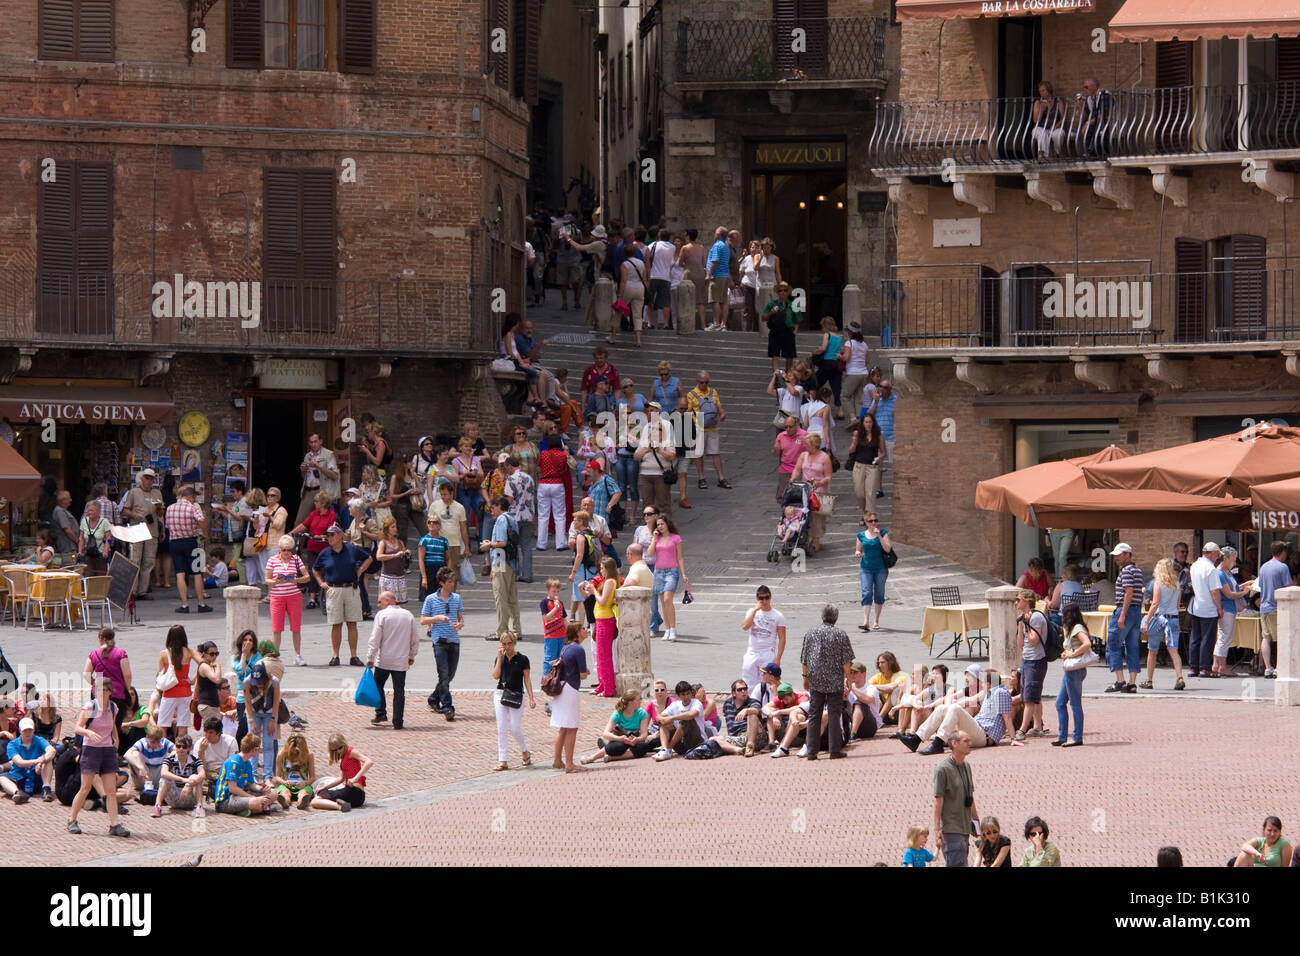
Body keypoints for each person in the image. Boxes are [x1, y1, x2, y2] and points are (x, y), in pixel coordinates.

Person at [67, 677, 129, 836]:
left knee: (111, 791)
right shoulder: (90, 706)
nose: (102, 693)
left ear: (109, 692)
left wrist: (116, 739)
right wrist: (89, 732)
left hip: (107, 750)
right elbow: (78, 727)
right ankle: (72, 819)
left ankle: (115, 824)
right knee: (85, 788)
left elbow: (113, 725)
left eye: (105, 690)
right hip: (91, 749)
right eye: (99, 690)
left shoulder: (113, 707)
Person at [900, 668, 1012, 753]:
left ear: (988, 684)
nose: (981, 684)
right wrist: (945, 706)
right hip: (978, 730)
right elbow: (968, 701)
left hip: (985, 736)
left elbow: (1007, 717)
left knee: (954, 708)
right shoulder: (987, 693)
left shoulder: (1000, 692)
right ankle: (916, 739)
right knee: (943, 708)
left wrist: (1013, 738)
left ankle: (938, 742)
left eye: (982, 682)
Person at [314, 523, 374, 667]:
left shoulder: (351, 549)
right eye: (327, 535)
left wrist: (360, 571)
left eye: (332, 535)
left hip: (351, 587)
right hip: (334, 589)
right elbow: (315, 569)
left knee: (352, 623)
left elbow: (369, 558)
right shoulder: (325, 553)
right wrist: (321, 582)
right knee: (336, 624)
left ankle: (353, 656)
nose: (329, 538)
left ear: (340, 536)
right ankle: (336, 655)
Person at [800, 604, 854, 759]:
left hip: (815, 679)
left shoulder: (811, 633)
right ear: (835, 617)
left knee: (814, 714)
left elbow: (804, 659)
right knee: (834, 714)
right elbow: (846, 661)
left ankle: (811, 751)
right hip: (834, 680)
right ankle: (834, 750)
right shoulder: (841, 634)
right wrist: (848, 679)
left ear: (822, 616)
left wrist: (805, 678)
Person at [366, 590, 420, 730]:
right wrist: (411, 656)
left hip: (384, 659)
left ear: (388, 601)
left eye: (380, 601)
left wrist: (370, 657)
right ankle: (398, 720)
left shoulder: (382, 615)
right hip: (401, 660)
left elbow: (375, 638)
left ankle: (381, 712)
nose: (378, 605)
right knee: (399, 691)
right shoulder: (408, 615)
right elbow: (414, 639)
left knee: (378, 685)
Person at [422, 566, 464, 719]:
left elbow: (460, 618)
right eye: (450, 581)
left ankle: (433, 698)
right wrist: (437, 618)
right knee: (444, 674)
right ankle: (447, 706)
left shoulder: (457, 598)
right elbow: (423, 620)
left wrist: (460, 624)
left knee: (449, 675)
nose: (453, 584)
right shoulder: (431, 599)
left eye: (453, 581)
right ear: (442, 583)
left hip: (454, 640)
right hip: (439, 641)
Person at [932, 729, 978, 866]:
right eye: (966, 741)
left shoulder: (967, 766)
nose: (970, 743)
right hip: (951, 829)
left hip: (964, 829)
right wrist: (937, 830)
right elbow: (937, 801)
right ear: (954, 743)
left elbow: (970, 796)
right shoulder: (943, 769)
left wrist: (976, 822)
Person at [164, 485, 212, 614]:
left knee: (180, 573)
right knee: (197, 572)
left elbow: (168, 526)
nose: (194, 500)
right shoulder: (191, 507)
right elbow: (201, 519)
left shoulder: (170, 508)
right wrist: (205, 533)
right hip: (190, 542)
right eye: (194, 497)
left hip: (175, 542)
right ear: (190, 496)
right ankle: (201, 604)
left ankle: (184, 605)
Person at [550, 621, 590, 771]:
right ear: (578, 632)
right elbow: (582, 675)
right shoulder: (578, 649)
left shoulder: (566, 647)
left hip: (562, 688)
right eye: (583, 628)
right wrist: (586, 672)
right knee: (572, 727)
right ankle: (569, 763)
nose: (586, 630)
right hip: (571, 689)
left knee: (563, 727)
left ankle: (557, 760)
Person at [262, 535, 308, 664]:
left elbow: (307, 576)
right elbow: (266, 579)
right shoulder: (272, 560)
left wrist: (296, 580)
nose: (287, 553)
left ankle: (298, 655)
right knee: (277, 628)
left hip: (294, 596)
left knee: (296, 627)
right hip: (277, 597)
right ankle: (275, 656)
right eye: (284, 550)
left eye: (289, 550)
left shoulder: (296, 559)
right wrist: (275, 581)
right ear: (280, 549)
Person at [491, 631, 534, 770]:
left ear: (514, 643)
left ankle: (525, 752)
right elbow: (495, 676)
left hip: (516, 694)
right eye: (504, 644)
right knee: (501, 727)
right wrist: (499, 657)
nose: (507, 646)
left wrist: (531, 698)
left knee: (514, 727)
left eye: (509, 643)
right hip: (500, 693)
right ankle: (502, 760)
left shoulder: (523, 659)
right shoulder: (500, 658)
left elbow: (527, 679)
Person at [83, 625, 132, 745]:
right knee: (115, 724)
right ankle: (113, 751)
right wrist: (125, 688)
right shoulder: (121, 653)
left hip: (99, 693)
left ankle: (97, 747)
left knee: (96, 723)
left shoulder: (93, 654)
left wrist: (96, 685)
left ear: (100, 638)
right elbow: (127, 675)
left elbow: (86, 674)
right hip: (117, 693)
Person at [1212, 546, 1254, 677]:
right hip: (1226, 608)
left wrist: (1246, 584)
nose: (1234, 563)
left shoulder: (1227, 573)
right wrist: (1244, 592)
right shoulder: (1220, 573)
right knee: (1225, 637)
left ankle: (1217, 665)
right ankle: (1221, 666)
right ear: (1225, 558)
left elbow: (1233, 588)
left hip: (1230, 608)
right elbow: (1229, 594)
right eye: (1233, 559)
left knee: (1223, 637)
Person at [213, 733, 277, 816]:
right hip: (226, 800)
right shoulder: (234, 762)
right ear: (254, 750)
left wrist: (262, 789)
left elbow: (251, 785)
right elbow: (232, 789)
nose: (259, 751)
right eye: (258, 749)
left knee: (273, 793)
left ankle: (252, 809)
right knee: (257, 802)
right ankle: (263, 807)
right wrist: (251, 797)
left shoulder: (247, 763)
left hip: (241, 795)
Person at [1054, 604, 1091, 747]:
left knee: (1075, 704)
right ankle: (1063, 735)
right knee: (1060, 703)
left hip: (1075, 670)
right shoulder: (1071, 629)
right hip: (1071, 669)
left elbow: (1087, 643)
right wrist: (1067, 653)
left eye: (1064, 614)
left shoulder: (1077, 628)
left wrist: (1073, 654)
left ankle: (1077, 737)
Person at [686, 371, 730, 489]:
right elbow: (687, 412)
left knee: (716, 453)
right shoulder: (691, 394)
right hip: (698, 426)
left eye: (706, 382)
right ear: (697, 382)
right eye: (702, 383)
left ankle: (721, 478)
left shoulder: (713, 392)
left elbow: (718, 406)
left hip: (712, 426)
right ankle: (701, 478)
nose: (704, 385)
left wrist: (722, 413)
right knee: (699, 454)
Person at [485, 496, 522, 638]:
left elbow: (502, 543)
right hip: (512, 563)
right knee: (512, 598)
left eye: (493, 508)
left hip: (501, 562)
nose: (491, 511)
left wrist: (489, 545)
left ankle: (502, 631)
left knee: (501, 598)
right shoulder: (511, 519)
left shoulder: (501, 519)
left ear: (499, 506)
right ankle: (515, 630)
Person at [649, 514, 688, 643]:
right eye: (658, 524)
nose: (660, 526)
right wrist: (654, 539)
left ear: (667, 524)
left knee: (667, 599)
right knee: (663, 602)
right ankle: (667, 629)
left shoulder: (675, 538)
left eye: (662, 524)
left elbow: (680, 557)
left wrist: (683, 574)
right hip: (658, 572)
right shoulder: (657, 539)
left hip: (671, 572)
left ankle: (673, 628)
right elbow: (650, 553)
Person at [155, 625, 198, 740]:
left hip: (169, 693)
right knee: (183, 725)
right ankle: (181, 750)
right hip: (185, 692)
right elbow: (203, 664)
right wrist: (193, 681)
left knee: (162, 725)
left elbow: (160, 673)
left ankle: (164, 751)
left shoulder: (164, 654)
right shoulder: (189, 652)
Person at [791, 433, 833, 551]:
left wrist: (820, 482)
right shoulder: (803, 455)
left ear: (815, 445)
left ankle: (816, 539)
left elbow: (829, 476)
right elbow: (797, 469)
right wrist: (792, 479)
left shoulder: (824, 457)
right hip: (805, 489)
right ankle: (802, 536)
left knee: (817, 517)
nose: (805, 447)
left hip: (820, 490)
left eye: (808, 445)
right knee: (803, 513)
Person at [739, 586, 787, 690]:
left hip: (767, 653)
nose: (764, 601)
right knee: (748, 682)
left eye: (767, 598)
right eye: (761, 598)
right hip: (752, 652)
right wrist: (755, 610)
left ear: (770, 597)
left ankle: (766, 704)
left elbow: (782, 638)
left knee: (768, 682)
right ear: (757, 598)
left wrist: (778, 659)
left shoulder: (778, 615)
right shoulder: (752, 612)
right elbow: (745, 626)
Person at [1188, 542, 1223, 679]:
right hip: (1208, 607)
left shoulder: (1194, 566)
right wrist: (1219, 608)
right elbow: (1214, 591)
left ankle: (1193, 667)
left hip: (1196, 606)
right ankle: (1204, 668)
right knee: (1208, 639)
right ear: (1213, 553)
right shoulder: (1211, 569)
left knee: (1195, 638)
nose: (1217, 558)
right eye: (1217, 555)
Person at [243, 661, 281, 785]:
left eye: (260, 683)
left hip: (269, 712)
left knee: (268, 744)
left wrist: (272, 720)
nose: (258, 685)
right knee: (253, 743)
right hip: (254, 712)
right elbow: (247, 702)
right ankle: (252, 775)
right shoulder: (247, 682)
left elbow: (276, 702)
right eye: (256, 683)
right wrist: (251, 721)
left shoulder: (274, 682)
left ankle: (267, 776)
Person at [313, 733, 371, 811]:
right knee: (320, 793)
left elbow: (369, 762)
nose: (338, 751)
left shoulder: (351, 751)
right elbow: (341, 778)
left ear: (344, 743)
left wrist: (354, 778)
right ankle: (341, 803)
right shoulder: (343, 758)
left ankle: (339, 806)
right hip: (353, 795)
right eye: (335, 750)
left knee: (315, 801)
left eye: (340, 748)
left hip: (355, 792)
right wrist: (324, 787)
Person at [501, 454, 536, 583]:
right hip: (528, 515)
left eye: (506, 467)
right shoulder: (529, 478)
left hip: (514, 516)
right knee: (526, 546)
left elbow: (509, 499)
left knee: (512, 545)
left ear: (510, 466)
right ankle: (527, 574)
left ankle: (513, 573)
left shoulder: (511, 479)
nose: (506, 470)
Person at [3, 717, 55, 803]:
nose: (28, 733)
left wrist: (43, 760)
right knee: (2, 778)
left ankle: (46, 789)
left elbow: (52, 751)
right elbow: (19, 762)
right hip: (18, 776)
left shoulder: (39, 740)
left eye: (30, 730)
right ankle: (17, 793)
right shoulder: (12, 745)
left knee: (48, 760)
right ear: (20, 731)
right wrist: (38, 761)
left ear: (33, 730)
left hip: (36, 775)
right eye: (25, 730)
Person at [1257, 540, 1289, 679]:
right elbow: (1289, 588)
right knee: (1282, 638)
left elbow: (1260, 586)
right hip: (1277, 607)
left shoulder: (1263, 567)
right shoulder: (1283, 567)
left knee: (1266, 638)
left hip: (1264, 607)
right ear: (1283, 552)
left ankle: (1268, 667)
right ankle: (1278, 667)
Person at [151, 733, 204, 817]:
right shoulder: (169, 760)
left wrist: (188, 785)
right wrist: (183, 779)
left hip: (190, 798)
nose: (181, 749)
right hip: (173, 799)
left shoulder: (196, 761)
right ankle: (157, 806)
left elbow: (202, 774)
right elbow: (163, 773)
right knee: (164, 779)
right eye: (178, 746)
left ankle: (199, 807)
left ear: (190, 748)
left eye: (184, 746)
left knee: (196, 777)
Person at [856, 512, 893, 631]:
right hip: (866, 568)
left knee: (879, 593)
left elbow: (887, 549)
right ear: (866, 523)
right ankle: (866, 621)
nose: (874, 523)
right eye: (871, 521)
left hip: (881, 569)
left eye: (875, 521)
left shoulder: (883, 533)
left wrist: (879, 537)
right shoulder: (861, 535)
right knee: (866, 592)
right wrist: (858, 553)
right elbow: (858, 549)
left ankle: (876, 620)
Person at [536, 434, 573, 551]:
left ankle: (541, 543)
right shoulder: (562, 455)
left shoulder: (543, 454)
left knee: (543, 515)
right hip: (557, 483)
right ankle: (560, 543)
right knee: (559, 515)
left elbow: (540, 466)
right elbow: (564, 469)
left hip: (544, 483)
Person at [653, 680, 706, 761]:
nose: (686, 697)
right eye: (683, 695)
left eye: (688, 694)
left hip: (696, 742)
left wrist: (671, 718)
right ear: (678, 695)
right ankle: (664, 750)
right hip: (680, 745)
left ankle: (669, 748)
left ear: (691, 693)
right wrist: (663, 720)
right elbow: (659, 717)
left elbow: (691, 714)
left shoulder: (696, 703)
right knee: (663, 723)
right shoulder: (675, 705)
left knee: (686, 720)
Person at [862, 379, 897, 496]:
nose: (882, 389)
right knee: (877, 466)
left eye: (885, 387)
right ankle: (879, 489)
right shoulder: (877, 400)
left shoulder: (895, 400)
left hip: (891, 436)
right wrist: (876, 403)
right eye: (880, 387)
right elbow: (869, 416)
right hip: (878, 437)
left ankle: (899, 488)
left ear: (890, 389)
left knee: (896, 464)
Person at [848, 413, 886, 515]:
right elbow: (851, 451)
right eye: (866, 422)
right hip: (859, 466)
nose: (868, 424)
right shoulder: (858, 435)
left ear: (873, 423)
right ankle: (865, 512)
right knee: (860, 493)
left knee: (870, 493)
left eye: (870, 422)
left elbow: (883, 452)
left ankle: (871, 517)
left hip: (872, 467)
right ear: (863, 423)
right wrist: (854, 442)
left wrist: (879, 458)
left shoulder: (878, 436)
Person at [125, 723, 174, 801]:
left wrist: (170, 759)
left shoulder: (164, 742)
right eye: (153, 742)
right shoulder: (142, 742)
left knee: (175, 755)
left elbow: (176, 751)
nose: (156, 745)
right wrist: (141, 767)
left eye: (158, 742)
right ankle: (147, 786)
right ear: (147, 737)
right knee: (135, 754)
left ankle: (165, 785)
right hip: (144, 775)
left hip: (159, 773)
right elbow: (127, 754)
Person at [271, 733, 317, 810]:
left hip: (303, 785)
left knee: (303, 793)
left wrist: (305, 783)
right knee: (285, 793)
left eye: (297, 751)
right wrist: (284, 782)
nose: (294, 752)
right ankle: (285, 802)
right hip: (287, 785)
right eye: (292, 749)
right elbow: (277, 777)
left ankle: (302, 802)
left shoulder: (309, 755)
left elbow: (312, 777)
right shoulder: (281, 755)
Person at [764, 281, 801, 374]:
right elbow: (763, 318)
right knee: (775, 355)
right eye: (780, 290)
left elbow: (797, 320)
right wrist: (771, 313)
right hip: (775, 332)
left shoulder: (793, 305)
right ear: (778, 292)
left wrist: (795, 331)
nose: (783, 292)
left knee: (789, 355)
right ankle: (776, 375)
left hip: (788, 331)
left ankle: (788, 374)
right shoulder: (772, 304)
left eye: (785, 290)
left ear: (788, 292)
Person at [417, 515, 450, 602]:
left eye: (435, 522)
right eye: (429, 522)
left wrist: (447, 573)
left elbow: (448, 558)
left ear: (439, 526)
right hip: (428, 570)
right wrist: (424, 577)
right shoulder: (424, 540)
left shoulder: (444, 541)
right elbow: (421, 559)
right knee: (428, 598)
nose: (431, 524)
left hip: (440, 570)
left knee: (440, 596)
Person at [1031, 80, 1066, 160]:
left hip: (1053, 128)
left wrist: (1056, 126)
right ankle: (1044, 156)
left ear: (1049, 90)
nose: (1041, 93)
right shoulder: (1038, 102)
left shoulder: (1058, 101)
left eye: (1043, 90)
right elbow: (1036, 120)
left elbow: (1063, 118)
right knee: (1042, 133)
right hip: (1040, 128)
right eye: (1040, 91)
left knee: (1059, 134)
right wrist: (1043, 108)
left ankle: (1057, 153)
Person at [192, 641, 223, 727]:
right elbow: (217, 680)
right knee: (213, 732)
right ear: (204, 654)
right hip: (208, 705)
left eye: (216, 653)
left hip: (208, 704)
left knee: (210, 732)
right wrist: (218, 667)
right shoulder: (205, 666)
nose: (214, 656)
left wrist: (194, 699)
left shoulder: (207, 666)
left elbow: (197, 684)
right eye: (211, 654)